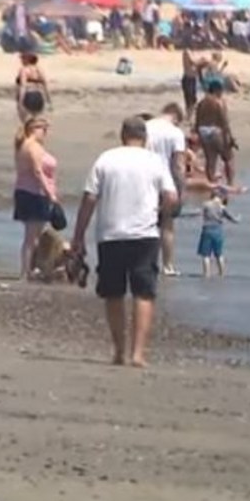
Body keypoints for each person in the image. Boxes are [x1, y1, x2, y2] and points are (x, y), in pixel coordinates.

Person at [71, 117, 178, 368]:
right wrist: (160, 213)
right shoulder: (154, 161)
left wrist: (78, 235)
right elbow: (171, 197)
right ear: (145, 138)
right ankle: (138, 354)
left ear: (122, 135)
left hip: (111, 234)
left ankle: (119, 351)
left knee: (113, 293)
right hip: (145, 235)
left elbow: (89, 199)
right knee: (144, 293)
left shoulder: (106, 159)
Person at [14, 116, 59, 280]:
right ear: (34, 129)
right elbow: (37, 171)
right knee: (31, 236)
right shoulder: (31, 146)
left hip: (32, 192)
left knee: (37, 234)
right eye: (43, 129)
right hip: (33, 193)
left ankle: (33, 269)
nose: (45, 133)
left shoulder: (30, 145)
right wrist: (50, 193)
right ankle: (25, 272)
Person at [146, 102, 188, 277]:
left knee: (145, 224)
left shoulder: (145, 127)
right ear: (176, 117)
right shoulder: (175, 133)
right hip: (165, 182)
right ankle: (167, 265)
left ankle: (147, 263)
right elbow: (178, 165)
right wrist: (182, 189)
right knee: (167, 225)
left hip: (144, 180)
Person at [194, 81, 237, 186]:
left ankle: (212, 184)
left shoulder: (201, 103)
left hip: (203, 131)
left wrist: (198, 134)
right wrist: (230, 137)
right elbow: (224, 121)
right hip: (216, 131)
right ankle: (231, 184)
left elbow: (197, 121)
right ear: (218, 90)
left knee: (210, 160)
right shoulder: (219, 102)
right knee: (229, 158)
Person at [198, 185, 239, 278]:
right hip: (218, 230)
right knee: (219, 254)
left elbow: (199, 213)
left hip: (207, 229)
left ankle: (206, 274)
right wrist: (237, 220)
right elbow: (230, 217)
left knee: (206, 255)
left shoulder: (206, 204)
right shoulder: (221, 207)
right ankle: (222, 273)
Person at [15, 52, 50, 121]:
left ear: (28, 59)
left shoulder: (24, 70)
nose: (21, 60)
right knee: (36, 120)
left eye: (23, 58)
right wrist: (48, 100)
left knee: (26, 122)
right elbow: (45, 85)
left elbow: (23, 86)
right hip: (38, 96)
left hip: (28, 95)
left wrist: (20, 102)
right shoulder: (39, 69)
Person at [181, 48, 202, 119]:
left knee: (193, 99)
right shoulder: (187, 51)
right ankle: (188, 117)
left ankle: (190, 117)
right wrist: (202, 61)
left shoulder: (194, 52)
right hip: (188, 78)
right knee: (189, 99)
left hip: (193, 79)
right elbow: (194, 62)